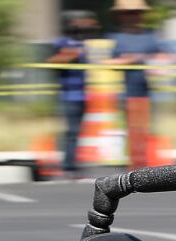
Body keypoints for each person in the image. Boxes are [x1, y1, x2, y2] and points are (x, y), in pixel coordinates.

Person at [107, 0, 166, 170]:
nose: (134, 17)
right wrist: (129, 60)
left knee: (145, 130)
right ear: (121, 16)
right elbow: (109, 62)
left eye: (137, 12)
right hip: (127, 92)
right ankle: (133, 166)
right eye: (129, 13)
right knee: (131, 131)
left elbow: (166, 57)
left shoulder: (150, 36)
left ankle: (143, 165)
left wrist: (155, 62)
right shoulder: (116, 38)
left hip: (146, 92)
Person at [47, 11, 96, 178]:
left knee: (77, 132)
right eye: (78, 22)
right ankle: (69, 166)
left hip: (82, 94)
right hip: (69, 95)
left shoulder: (81, 43)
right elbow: (52, 62)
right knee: (72, 131)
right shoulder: (61, 42)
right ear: (69, 23)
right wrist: (70, 54)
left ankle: (73, 161)